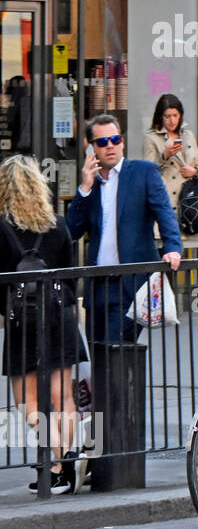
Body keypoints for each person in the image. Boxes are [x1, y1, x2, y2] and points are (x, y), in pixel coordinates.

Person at [0, 156, 89, 495]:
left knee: (27, 403)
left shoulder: (2, 227)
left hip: (22, 323)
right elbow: (70, 275)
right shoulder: (59, 224)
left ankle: (54, 465)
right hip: (60, 316)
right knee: (62, 395)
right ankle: (64, 462)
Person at [67, 115, 182, 346]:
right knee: (98, 354)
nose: (110, 145)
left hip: (130, 285)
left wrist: (172, 248)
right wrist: (84, 188)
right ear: (92, 148)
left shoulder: (143, 172)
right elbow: (72, 230)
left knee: (116, 354)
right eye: (102, 142)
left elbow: (165, 213)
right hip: (97, 285)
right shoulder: (92, 184)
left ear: (122, 142)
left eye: (115, 139)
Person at [142, 94, 198, 314]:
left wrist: (195, 171)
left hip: (191, 204)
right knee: (169, 254)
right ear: (160, 117)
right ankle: (167, 305)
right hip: (168, 204)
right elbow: (147, 168)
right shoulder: (151, 138)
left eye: (175, 115)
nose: (171, 120)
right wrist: (164, 155)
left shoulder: (188, 135)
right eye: (167, 116)